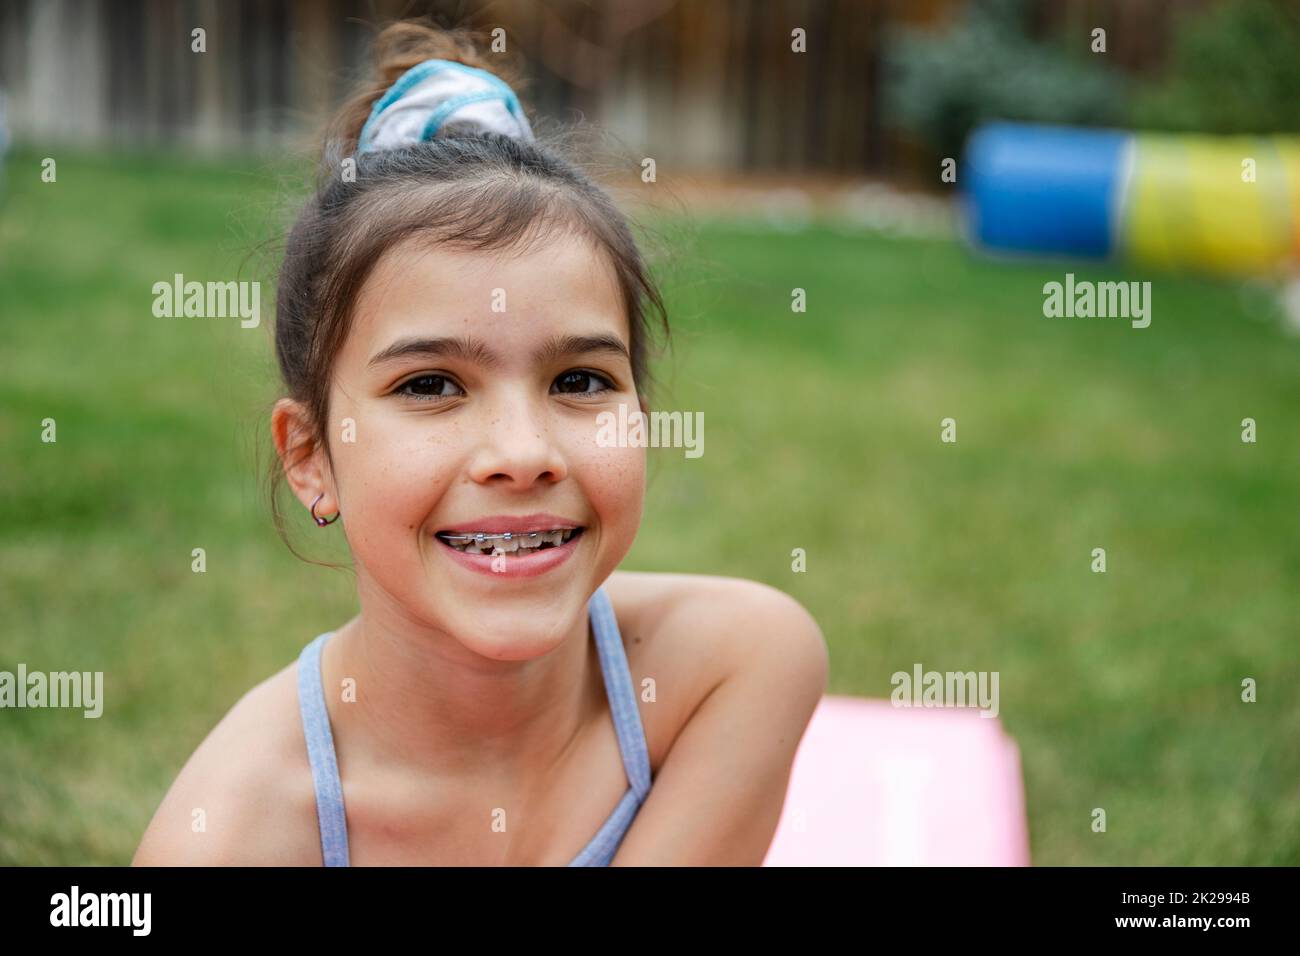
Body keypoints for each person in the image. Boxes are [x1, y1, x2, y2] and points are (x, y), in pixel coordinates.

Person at [133, 19, 827, 867]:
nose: (523, 451)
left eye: (579, 380)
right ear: (310, 456)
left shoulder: (739, 667)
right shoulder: (236, 839)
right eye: (430, 385)